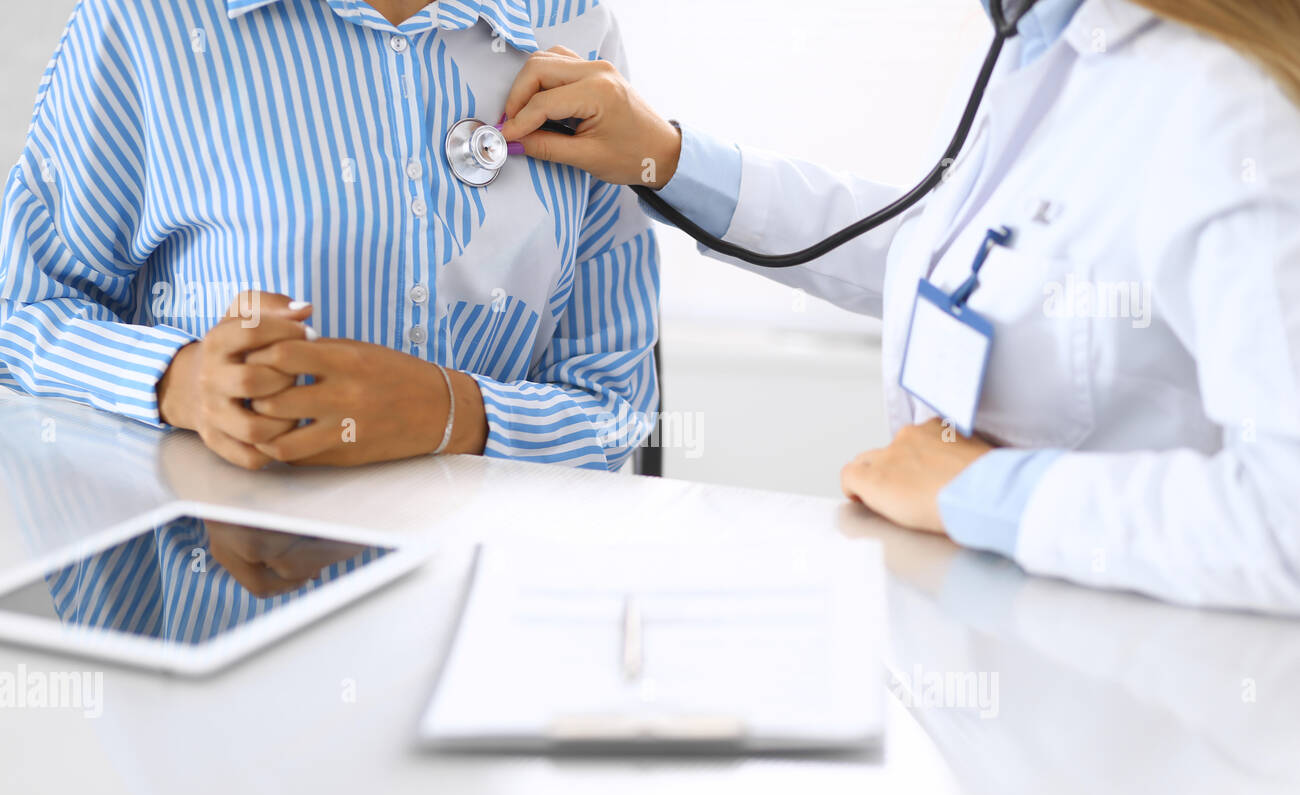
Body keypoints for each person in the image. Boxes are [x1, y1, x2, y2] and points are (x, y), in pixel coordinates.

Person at [498, 0, 1300, 614]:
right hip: (1001, 665)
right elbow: (951, 262)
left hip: (1157, 726)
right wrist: (666, 159)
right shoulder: (1036, 44)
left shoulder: (1230, 107)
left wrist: (982, 491)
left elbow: (1284, 525)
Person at [0, 0, 659, 473]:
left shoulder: (576, 25)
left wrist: (452, 413)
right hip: (227, 604)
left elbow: (616, 404)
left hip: (493, 617)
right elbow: (20, 314)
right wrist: (179, 382)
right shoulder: (146, 20)